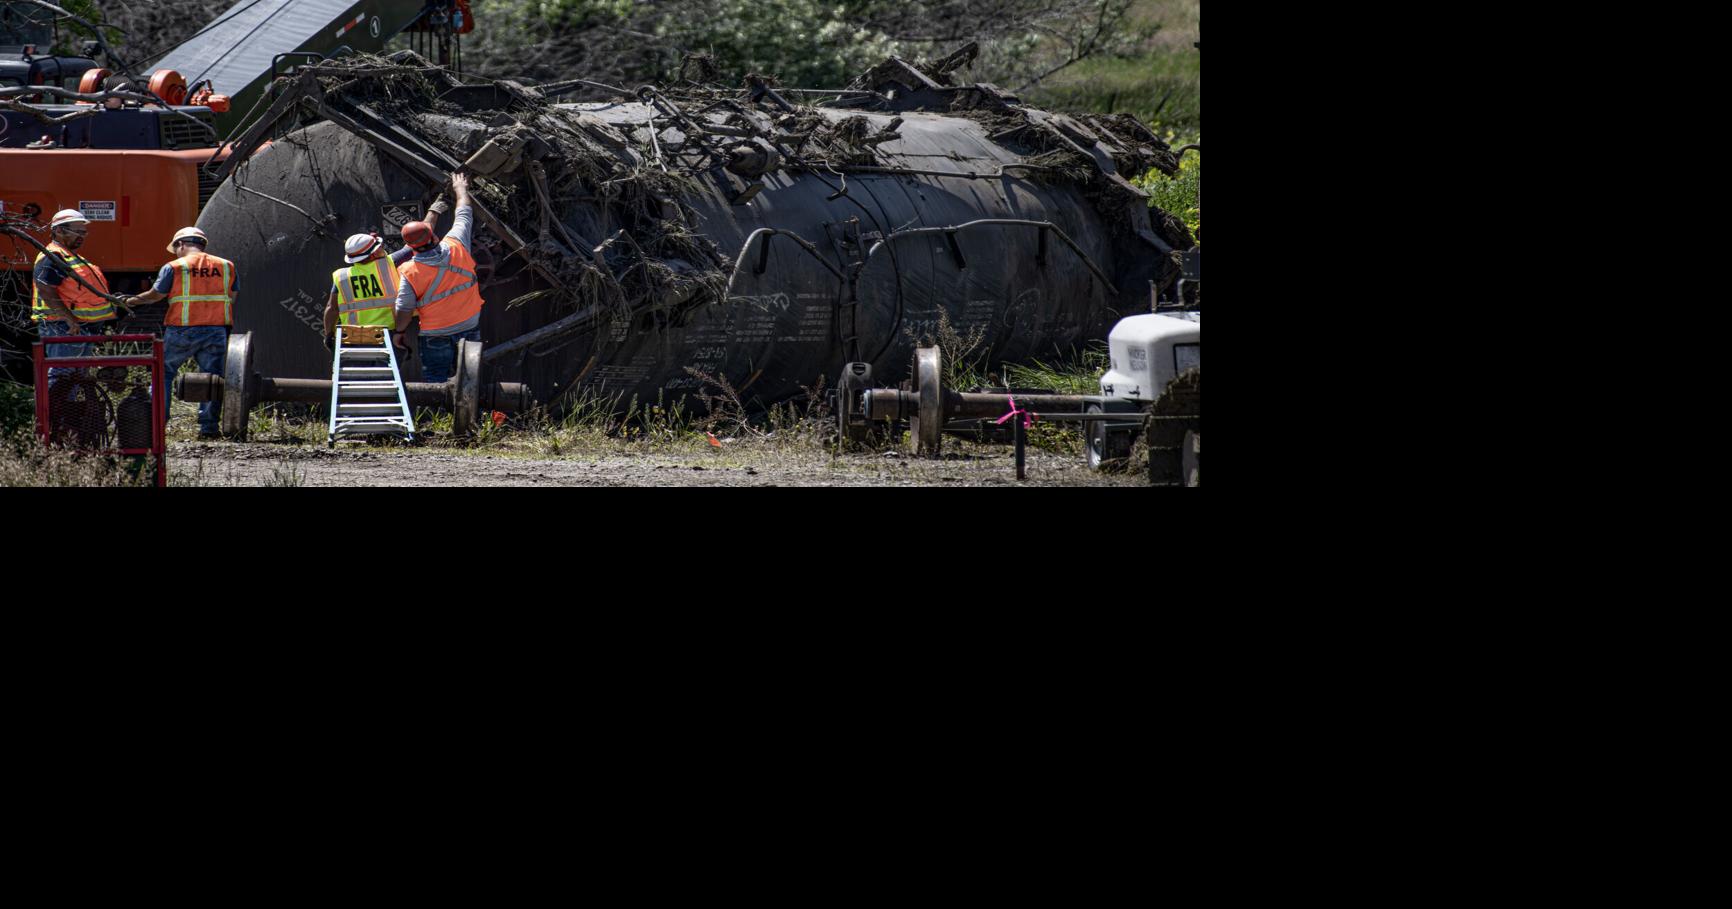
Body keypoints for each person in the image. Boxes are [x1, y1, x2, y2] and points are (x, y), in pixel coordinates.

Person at [119, 227, 237, 438]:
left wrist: (130, 300)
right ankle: (209, 428)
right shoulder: (226, 266)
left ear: (181, 245)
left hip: (182, 329)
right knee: (213, 379)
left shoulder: (175, 267)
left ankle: (157, 425)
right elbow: (232, 296)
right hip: (217, 329)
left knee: (163, 373)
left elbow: (156, 296)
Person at [395, 172, 484, 384]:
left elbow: (404, 309)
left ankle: (439, 415)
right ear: (434, 236)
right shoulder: (457, 244)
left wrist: (399, 332)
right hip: (469, 325)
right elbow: (464, 212)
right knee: (470, 380)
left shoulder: (409, 271)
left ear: (410, 247)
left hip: (435, 333)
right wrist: (460, 188)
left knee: (435, 380)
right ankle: (470, 415)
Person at [32, 209, 117, 384]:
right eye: (77, 232)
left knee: (73, 378)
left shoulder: (70, 257)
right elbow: (45, 288)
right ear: (58, 231)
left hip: (76, 328)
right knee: (62, 377)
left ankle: (66, 410)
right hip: (62, 327)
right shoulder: (53, 257)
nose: (82, 237)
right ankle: (53, 411)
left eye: (84, 232)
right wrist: (69, 319)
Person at [324, 232, 418, 342]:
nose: (381, 248)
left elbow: (332, 308)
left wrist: (329, 335)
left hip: (353, 337)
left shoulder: (341, 276)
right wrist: (434, 213)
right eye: (379, 247)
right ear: (373, 253)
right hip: (388, 335)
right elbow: (417, 238)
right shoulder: (389, 264)